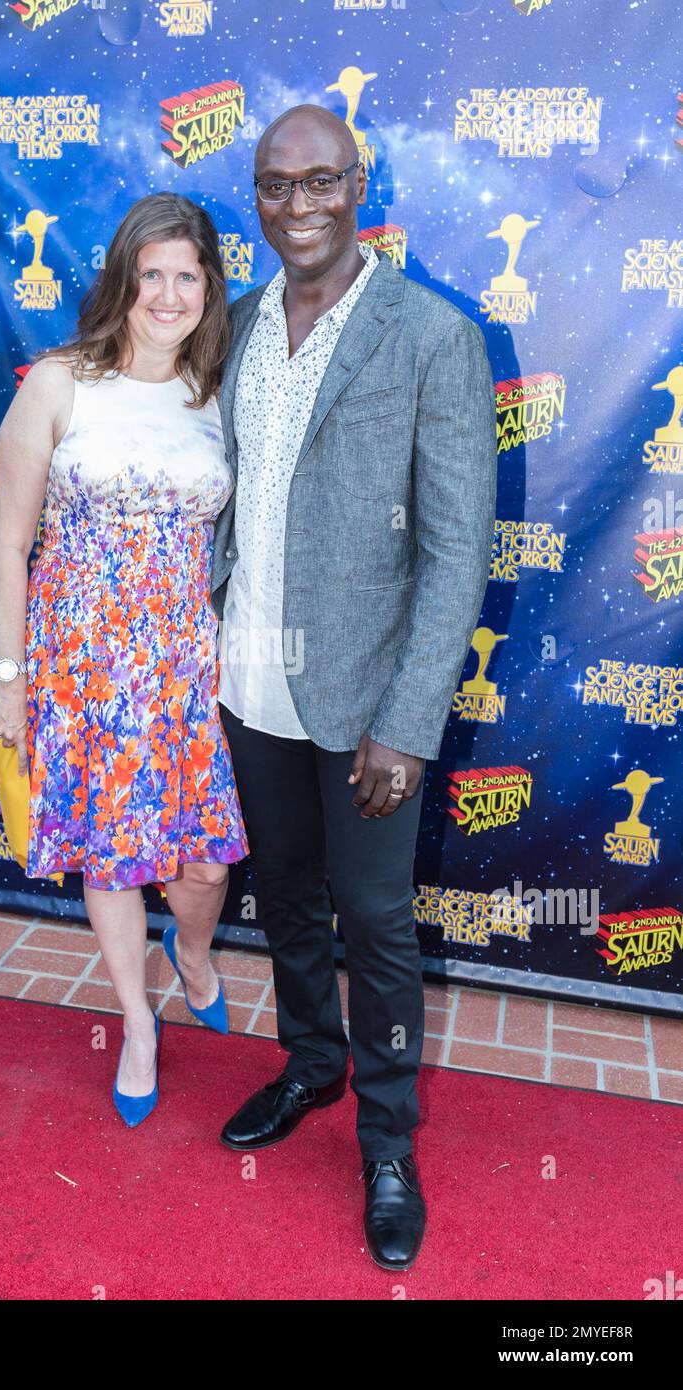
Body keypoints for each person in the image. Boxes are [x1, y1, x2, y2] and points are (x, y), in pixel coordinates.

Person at [210, 106, 498, 1270]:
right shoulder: (231, 326)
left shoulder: (432, 336)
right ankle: (310, 1066)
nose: (298, 205)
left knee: (375, 926)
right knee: (281, 891)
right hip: (246, 680)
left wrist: (407, 724)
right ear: (258, 198)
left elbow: (455, 547)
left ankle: (386, 1140)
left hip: (368, 704)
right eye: (275, 187)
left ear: (357, 182)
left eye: (319, 181)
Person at [0, 193, 249, 1128]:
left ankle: (196, 954)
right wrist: (10, 686)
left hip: (184, 670)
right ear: (122, 283)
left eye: (189, 276)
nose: (170, 295)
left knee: (203, 871)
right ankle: (138, 1023)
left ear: (209, 288)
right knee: (110, 859)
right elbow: (8, 545)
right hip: (82, 670)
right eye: (153, 276)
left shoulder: (218, 393)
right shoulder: (60, 383)